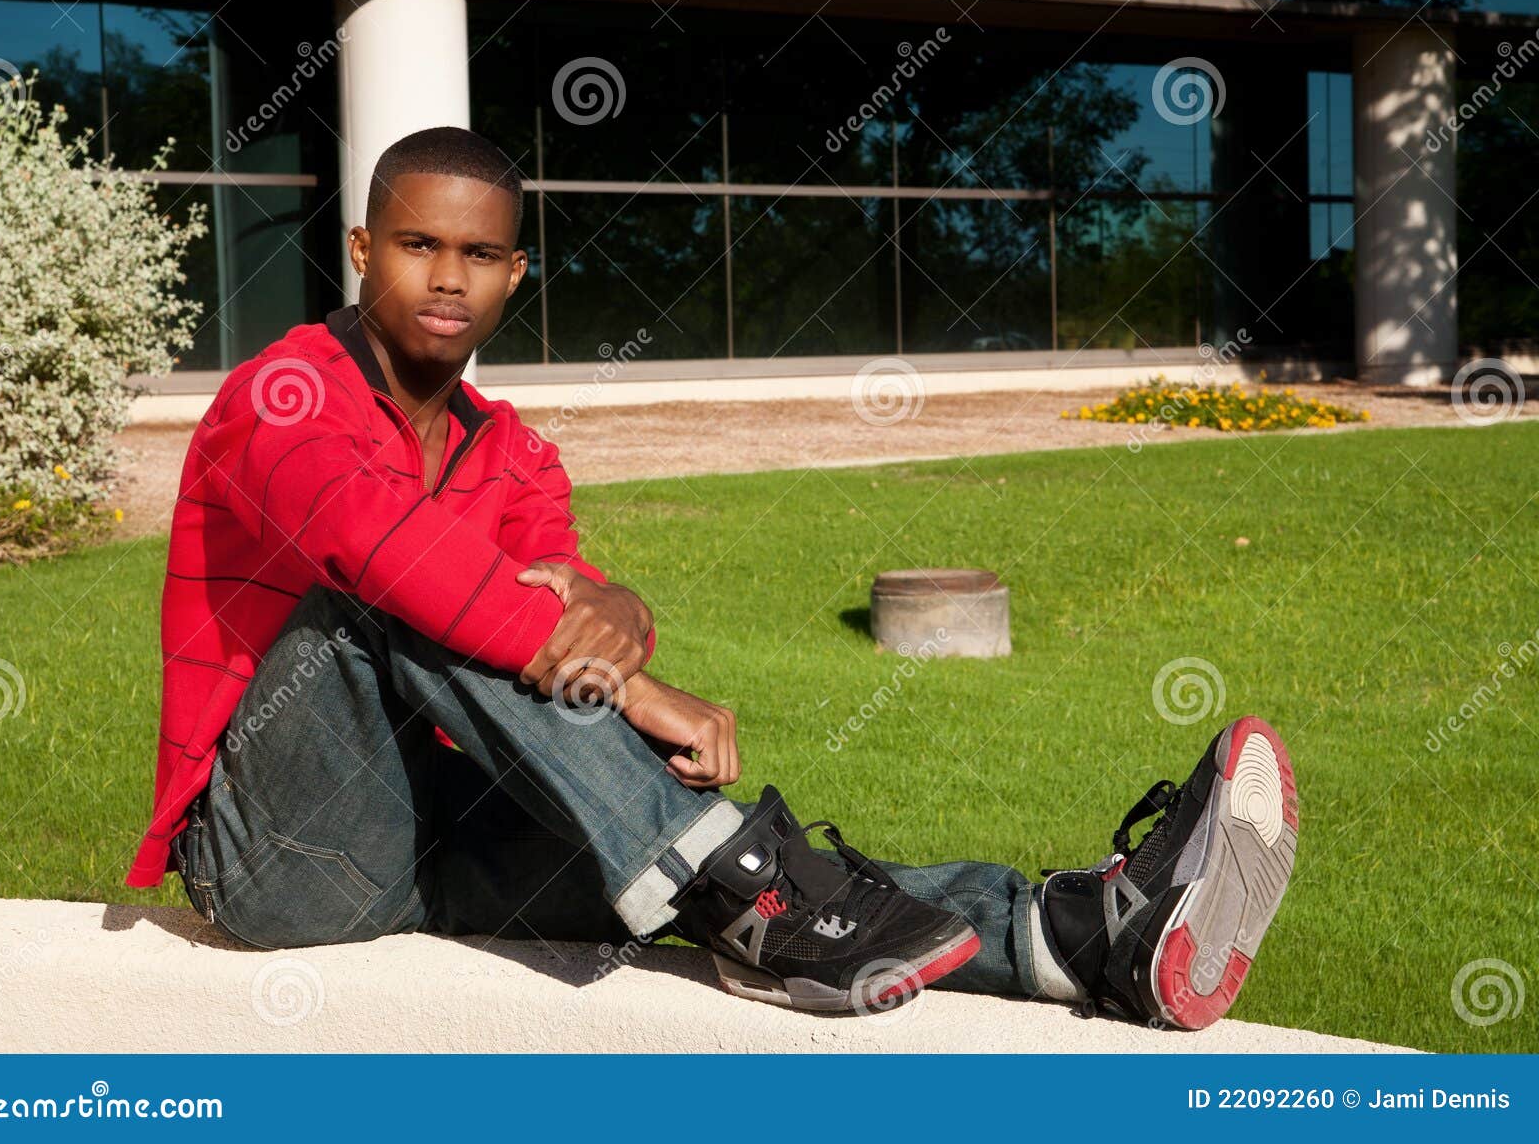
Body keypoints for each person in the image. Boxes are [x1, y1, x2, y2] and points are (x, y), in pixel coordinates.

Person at [126, 126, 1297, 1027]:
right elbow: (388, 550)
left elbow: (571, 596)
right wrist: (634, 688)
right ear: (362, 251)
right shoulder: (281, 396)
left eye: (479, 253)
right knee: (383, 601)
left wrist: (629, 611)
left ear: (515, 272)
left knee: (759, 886)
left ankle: (1075, 935)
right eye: (419, 245)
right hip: (275, 858)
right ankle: (744, 878)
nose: (447, 276)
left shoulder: (514, 447)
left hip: (441, 845)